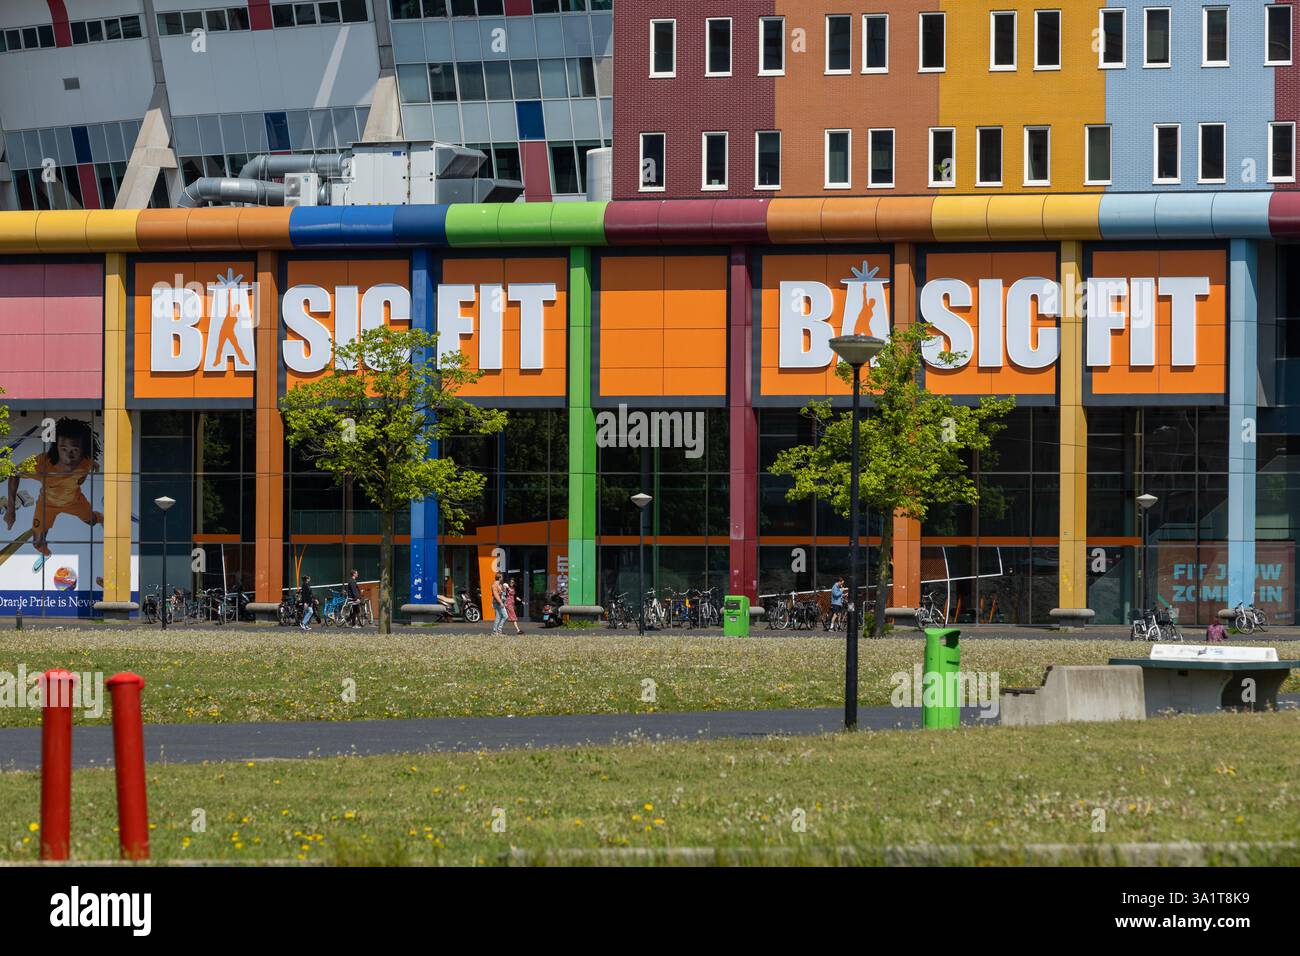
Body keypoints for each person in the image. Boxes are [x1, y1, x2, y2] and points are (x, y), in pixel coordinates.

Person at [4, 418, 103, 571]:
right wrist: (11, 510)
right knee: (37, 543)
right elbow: (13, 473)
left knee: (92, 522)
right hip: (47, 505)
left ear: (83, 450)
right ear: (57, 447)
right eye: (63, 449)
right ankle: (46, 553)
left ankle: (102, 517)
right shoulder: (42, 463)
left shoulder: (85, 460)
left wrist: (94, 464)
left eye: (74, 450)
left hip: (75, 502)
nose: (68, 456)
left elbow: (90, 461)